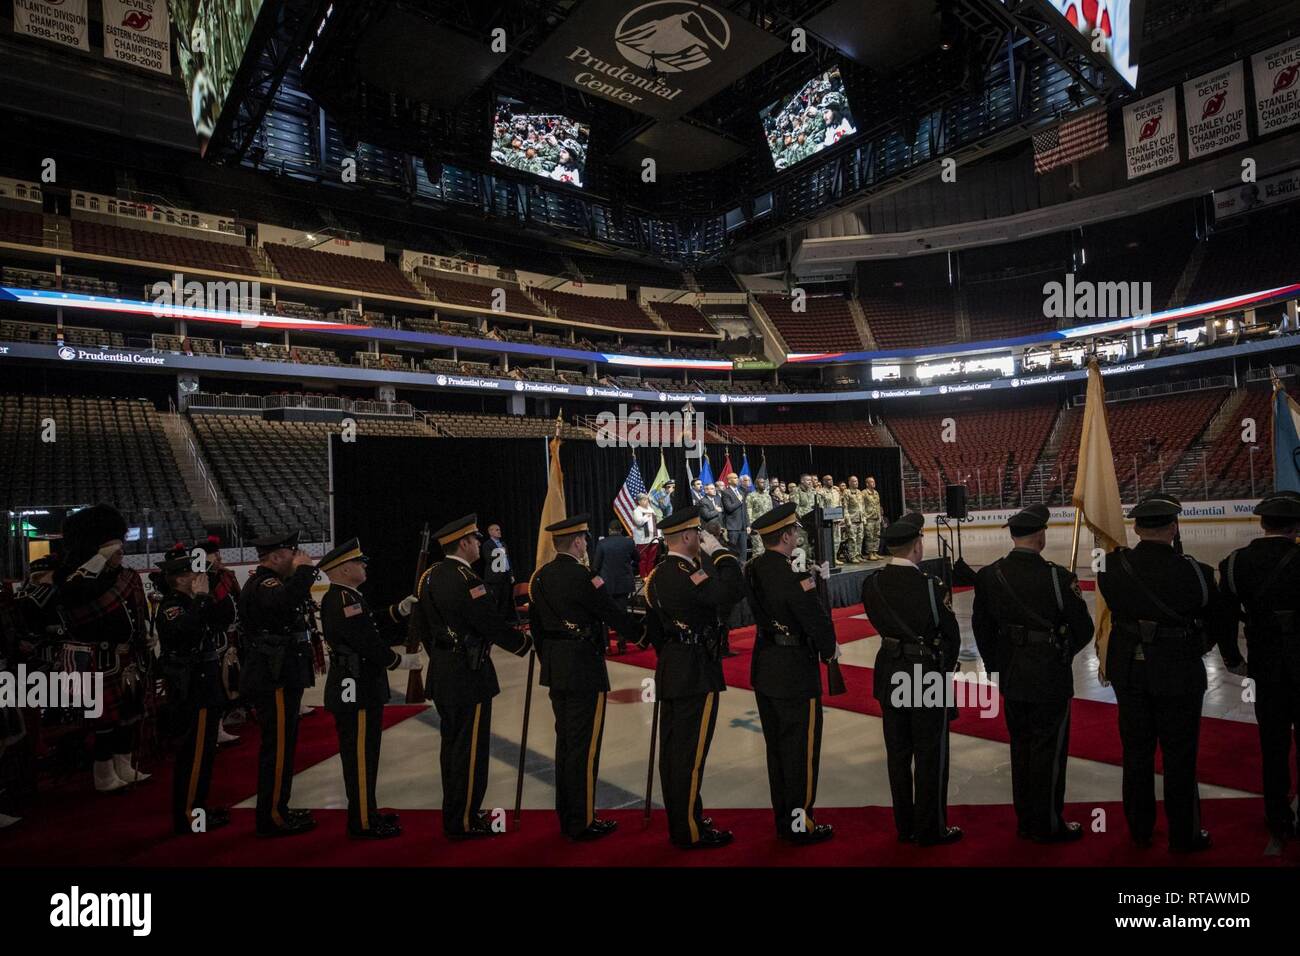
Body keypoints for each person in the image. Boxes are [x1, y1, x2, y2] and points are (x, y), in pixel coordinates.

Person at [1098, 493, 1233, 852]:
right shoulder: (1197, 573)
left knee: (1136, 754)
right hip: (1179, 672)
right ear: (1174, 528)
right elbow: (1218, 621)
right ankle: (1184, 833)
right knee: (1180, 756)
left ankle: (1140, 829)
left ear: (1137, 528)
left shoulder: (1111, 568)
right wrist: (1195, 644)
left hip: (1130, 673)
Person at [971, 504, 1094, 843]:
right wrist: (1062, 653)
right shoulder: (1058, 578)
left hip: (1011, 673)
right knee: (1049, 751)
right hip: (1049, 674)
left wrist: (997, 666)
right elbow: (1083, 628)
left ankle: (1026, 819)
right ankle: (1049, 823)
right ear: (1041, 535)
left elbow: (981, 627)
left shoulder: (990, 575)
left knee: (1021, 747)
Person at [414, 514, 532, 838]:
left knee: (451, 747)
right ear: (464, 543)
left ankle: (454, 813)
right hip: (470, 674)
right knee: (471, 750)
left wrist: (441, 653)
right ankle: (466, 819)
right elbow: (490, 624)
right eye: (475, 540)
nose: (479, 544)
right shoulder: (468, 580)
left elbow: (422, 626)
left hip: (443, 672)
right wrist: (524, 644)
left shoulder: (428, 577)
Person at [529, 514, 644, 840]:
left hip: (555, 668)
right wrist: (645, 634)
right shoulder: (585, 577)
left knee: (565, 743)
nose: (585, 544)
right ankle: (583, 820)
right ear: (577, 542)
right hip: (584, 668)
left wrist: (548, 658)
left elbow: (536, 630)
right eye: (584, 540)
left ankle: (567, 814)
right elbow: (612, 615)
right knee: (584, 747)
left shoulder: (540, 578)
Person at [641, 506, 743, 848]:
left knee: (673, 751)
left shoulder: (657, 575)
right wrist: (720, 551)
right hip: (696, 669)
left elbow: (653, 628)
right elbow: (732, 589)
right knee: (690, 755)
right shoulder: (689, 573)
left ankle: (683, 816)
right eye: (697, 534)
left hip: (671, 665)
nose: (701, 538)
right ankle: (689, 829)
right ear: (687, 537)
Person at [861, 512, 963, 846]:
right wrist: (942, 668)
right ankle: (931, 828)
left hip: (891, 672)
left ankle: (905, 827)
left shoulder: (872, 583)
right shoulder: (931, 587)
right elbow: (951, 637)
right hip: (926, 678)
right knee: (931, 755)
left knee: (898, 755)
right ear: (917, 546)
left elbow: (878, 622)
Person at [746, 503, 838, 844]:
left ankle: (784, 819)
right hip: (795, 671)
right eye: (795, 531)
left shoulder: (753, 569)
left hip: (766, 665)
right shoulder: (794, 577)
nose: (797, 534)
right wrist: (829, 650)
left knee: (778, 752)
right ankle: (801, 824)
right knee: (801, 753)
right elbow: (815, 621)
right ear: (785, 536)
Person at [318, 538, 422, 840]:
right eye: (359, 562)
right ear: (344, 568)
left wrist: (397, 610)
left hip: (357, 686)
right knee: (361, 757)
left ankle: (366, 811)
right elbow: (366, 641)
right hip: (357, 689)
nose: (364, 566)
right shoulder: (344, 600)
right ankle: (363, 821)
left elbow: (370, 622)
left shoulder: (347, 597)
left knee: (365, 756)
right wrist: (399, 661)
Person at [1217, 491, 1300, 842]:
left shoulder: (1235, 563)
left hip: (1264, 664)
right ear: (1296, 526)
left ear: (1262, 523)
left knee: (1273, 743)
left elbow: (1222, 617)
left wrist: (1233, 658)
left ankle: (1277, 815)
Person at [56, 505, 151, 793]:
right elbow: (75, 599)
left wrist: (142, 639)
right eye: (114, 547)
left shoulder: (125, 576)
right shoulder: (74, 579)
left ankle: (123, 764)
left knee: (127, 717)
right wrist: (100, 558)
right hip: (96, 657)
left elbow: (137, 613)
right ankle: (103, 772)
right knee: (103, 723)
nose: (120, 551)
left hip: (125, 656)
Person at [238, 530, 320, 837]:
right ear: (274, 557)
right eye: (290, 554)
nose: (296, 557)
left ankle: (279, 808)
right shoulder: (264, 585)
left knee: (284, 748)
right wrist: (305, 570)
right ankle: (272, 816)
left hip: (282, 676)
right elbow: (285, 602)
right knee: (278, 749)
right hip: (274, 679)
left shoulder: (274, 584)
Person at [154, 549, 234, 836]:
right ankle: (190, 816)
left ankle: (198, 809)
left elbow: (225, 617)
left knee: (205, 754)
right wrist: (200, 599)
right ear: (180, 579)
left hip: (206, 685)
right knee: (195, 755)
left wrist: (210, 593)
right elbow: (186, 632)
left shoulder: (194, 602)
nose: (200, 578)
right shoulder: (172, 607)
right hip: (193, 688)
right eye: (194, 574)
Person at [201, 536, 243, 746]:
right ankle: (214, 729)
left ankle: (223, 722)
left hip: (228, 637)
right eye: (214, 554)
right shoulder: (201, 579)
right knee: (216, 684)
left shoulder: (223, 577)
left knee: (227, 681)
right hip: (213, 639)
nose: (219, 557)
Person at [591, 520, 638, 654]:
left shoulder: (602, 543)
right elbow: (638, 558)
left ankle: (606, 646)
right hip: (624, 584)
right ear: (621, 530)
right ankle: (622, 644)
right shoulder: (629, 542)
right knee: (622, 614)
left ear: (609, 530)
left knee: (606, 614)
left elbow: (596, 566)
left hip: (607, 585)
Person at [482, 523, 516, 621]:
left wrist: (511, 574)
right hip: (494, 578)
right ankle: (494, 623)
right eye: (497, 530)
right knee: (495, 601)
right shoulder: (487, 544)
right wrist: (500, 552)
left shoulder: (503, 544)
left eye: (499, 529)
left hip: (505, 576)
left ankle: (503, 622)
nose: (499, 531)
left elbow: (507, 560)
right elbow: (488, 558)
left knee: (505, 601)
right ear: (490, 532)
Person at [720, 474, 748, 562]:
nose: (737, 479)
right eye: (735, 478)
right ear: (729, 481)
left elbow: (744, 510)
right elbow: (729, 508)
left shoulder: (741, 491)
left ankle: (743, 571)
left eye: (737, 478)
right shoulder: (726, 492)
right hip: (733, 527)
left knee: (743, 552)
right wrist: (739, 500)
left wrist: (748, 525)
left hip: (743, 527)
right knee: (733, 552)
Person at [631, 493, 660, 579]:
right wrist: (647, 516)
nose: (646, 501)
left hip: (653, 538)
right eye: (644, 500)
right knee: (643, 559)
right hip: (642, 539)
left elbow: (656, 523)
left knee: (652, 558)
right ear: (639, 502)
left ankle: (650, 576)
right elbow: (639, 522)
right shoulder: (637, 511)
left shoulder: (651, 509)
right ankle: (644, 575)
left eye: (647, 499)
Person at [746, 477, 773, 556]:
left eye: (764, 482)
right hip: (757, 526)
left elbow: (771, 511)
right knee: (758, 550)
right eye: (761, 483)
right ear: (756, 485)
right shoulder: (751, 496)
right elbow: (748, 511)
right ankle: (756, 567)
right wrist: (750, 526)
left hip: (768, 526)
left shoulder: (767, 496)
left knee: (769, 549)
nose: (763, 484)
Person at [842, 476, 864, 563]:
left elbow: (862, 506)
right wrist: (848, 520)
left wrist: (864, 518)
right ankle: (852, 556)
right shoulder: (846, 492)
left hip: (860, 519)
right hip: (852, 519)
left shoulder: (859, 492)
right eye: (854, 481)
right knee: (852, 539)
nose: (856, 483)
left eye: (857, 481)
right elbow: (845, 508)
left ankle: (858, 554)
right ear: (850, 483)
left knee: (860, 538)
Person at [862, 477, 883, 560]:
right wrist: (864, 517)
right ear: (867, 484)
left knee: (876, 535)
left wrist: (880, 516)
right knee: (869, 536)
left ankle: (875, 552)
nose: (873, 483)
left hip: (876, 517)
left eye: (874, 482)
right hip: (869, 517)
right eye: (871, 482)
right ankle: (870, 553)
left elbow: (878, 505)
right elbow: (862, 505)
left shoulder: (876, 493)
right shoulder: (864, 493)